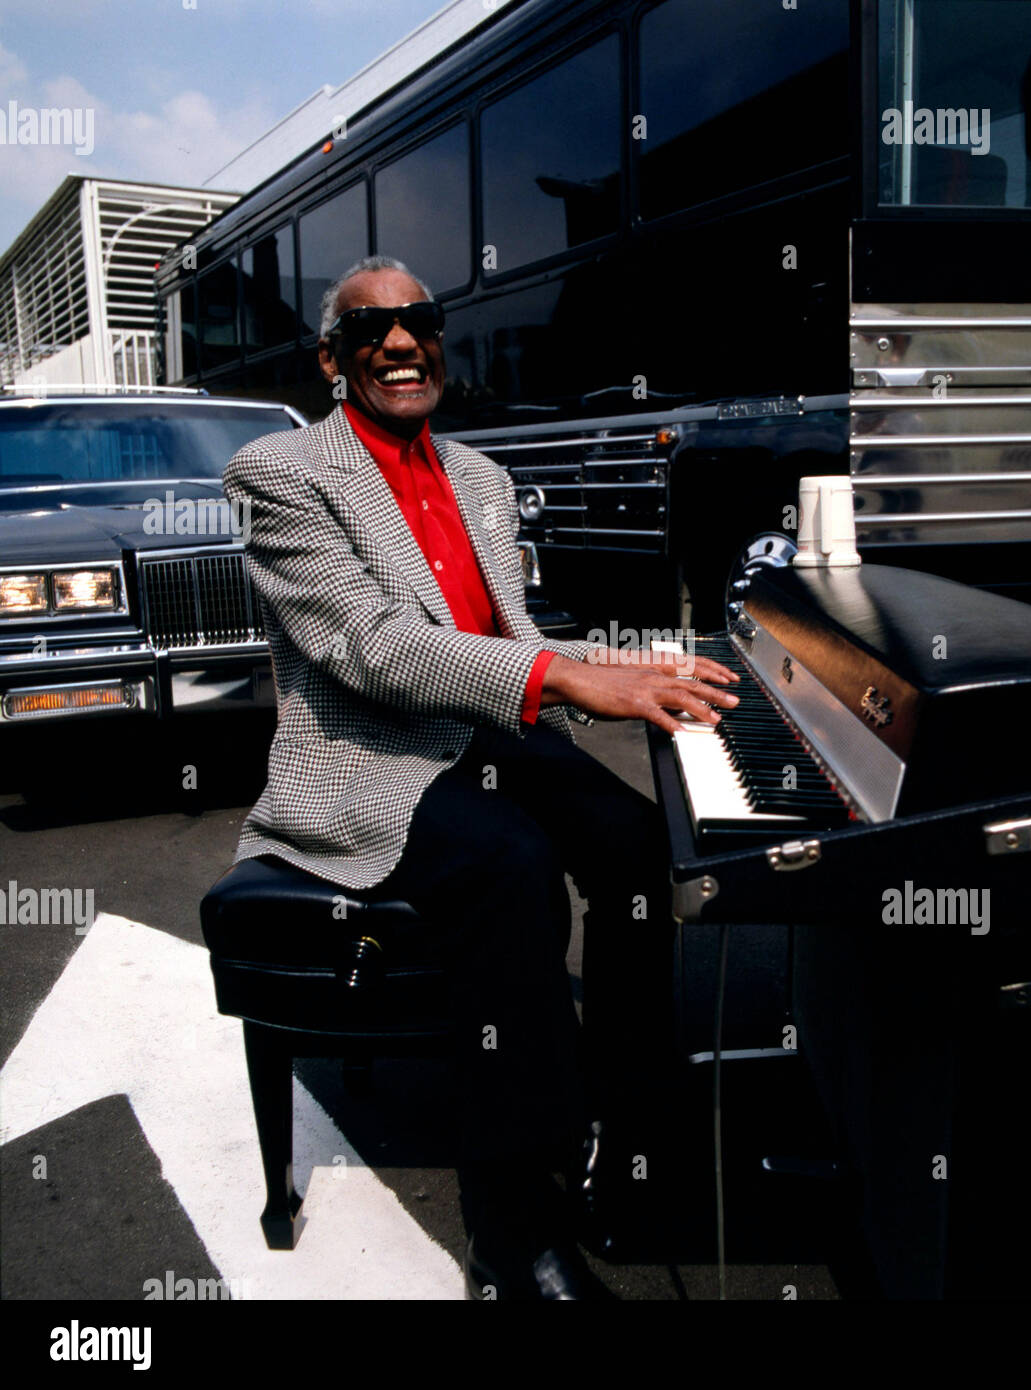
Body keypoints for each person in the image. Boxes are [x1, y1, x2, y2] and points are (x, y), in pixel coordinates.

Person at [222, 255, 739, 1300]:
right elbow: (375, 647)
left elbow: (511, 637)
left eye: (421, 322)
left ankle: (622, 1135)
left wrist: (636, 664)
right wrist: (562, 679)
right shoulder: (281, 473)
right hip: (367, 756)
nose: (402, 343)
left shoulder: (481, 478)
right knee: (512, 866)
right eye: (375, 329)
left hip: (480, 735)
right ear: (334, 358)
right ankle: (509, 1231)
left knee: (643, 848)